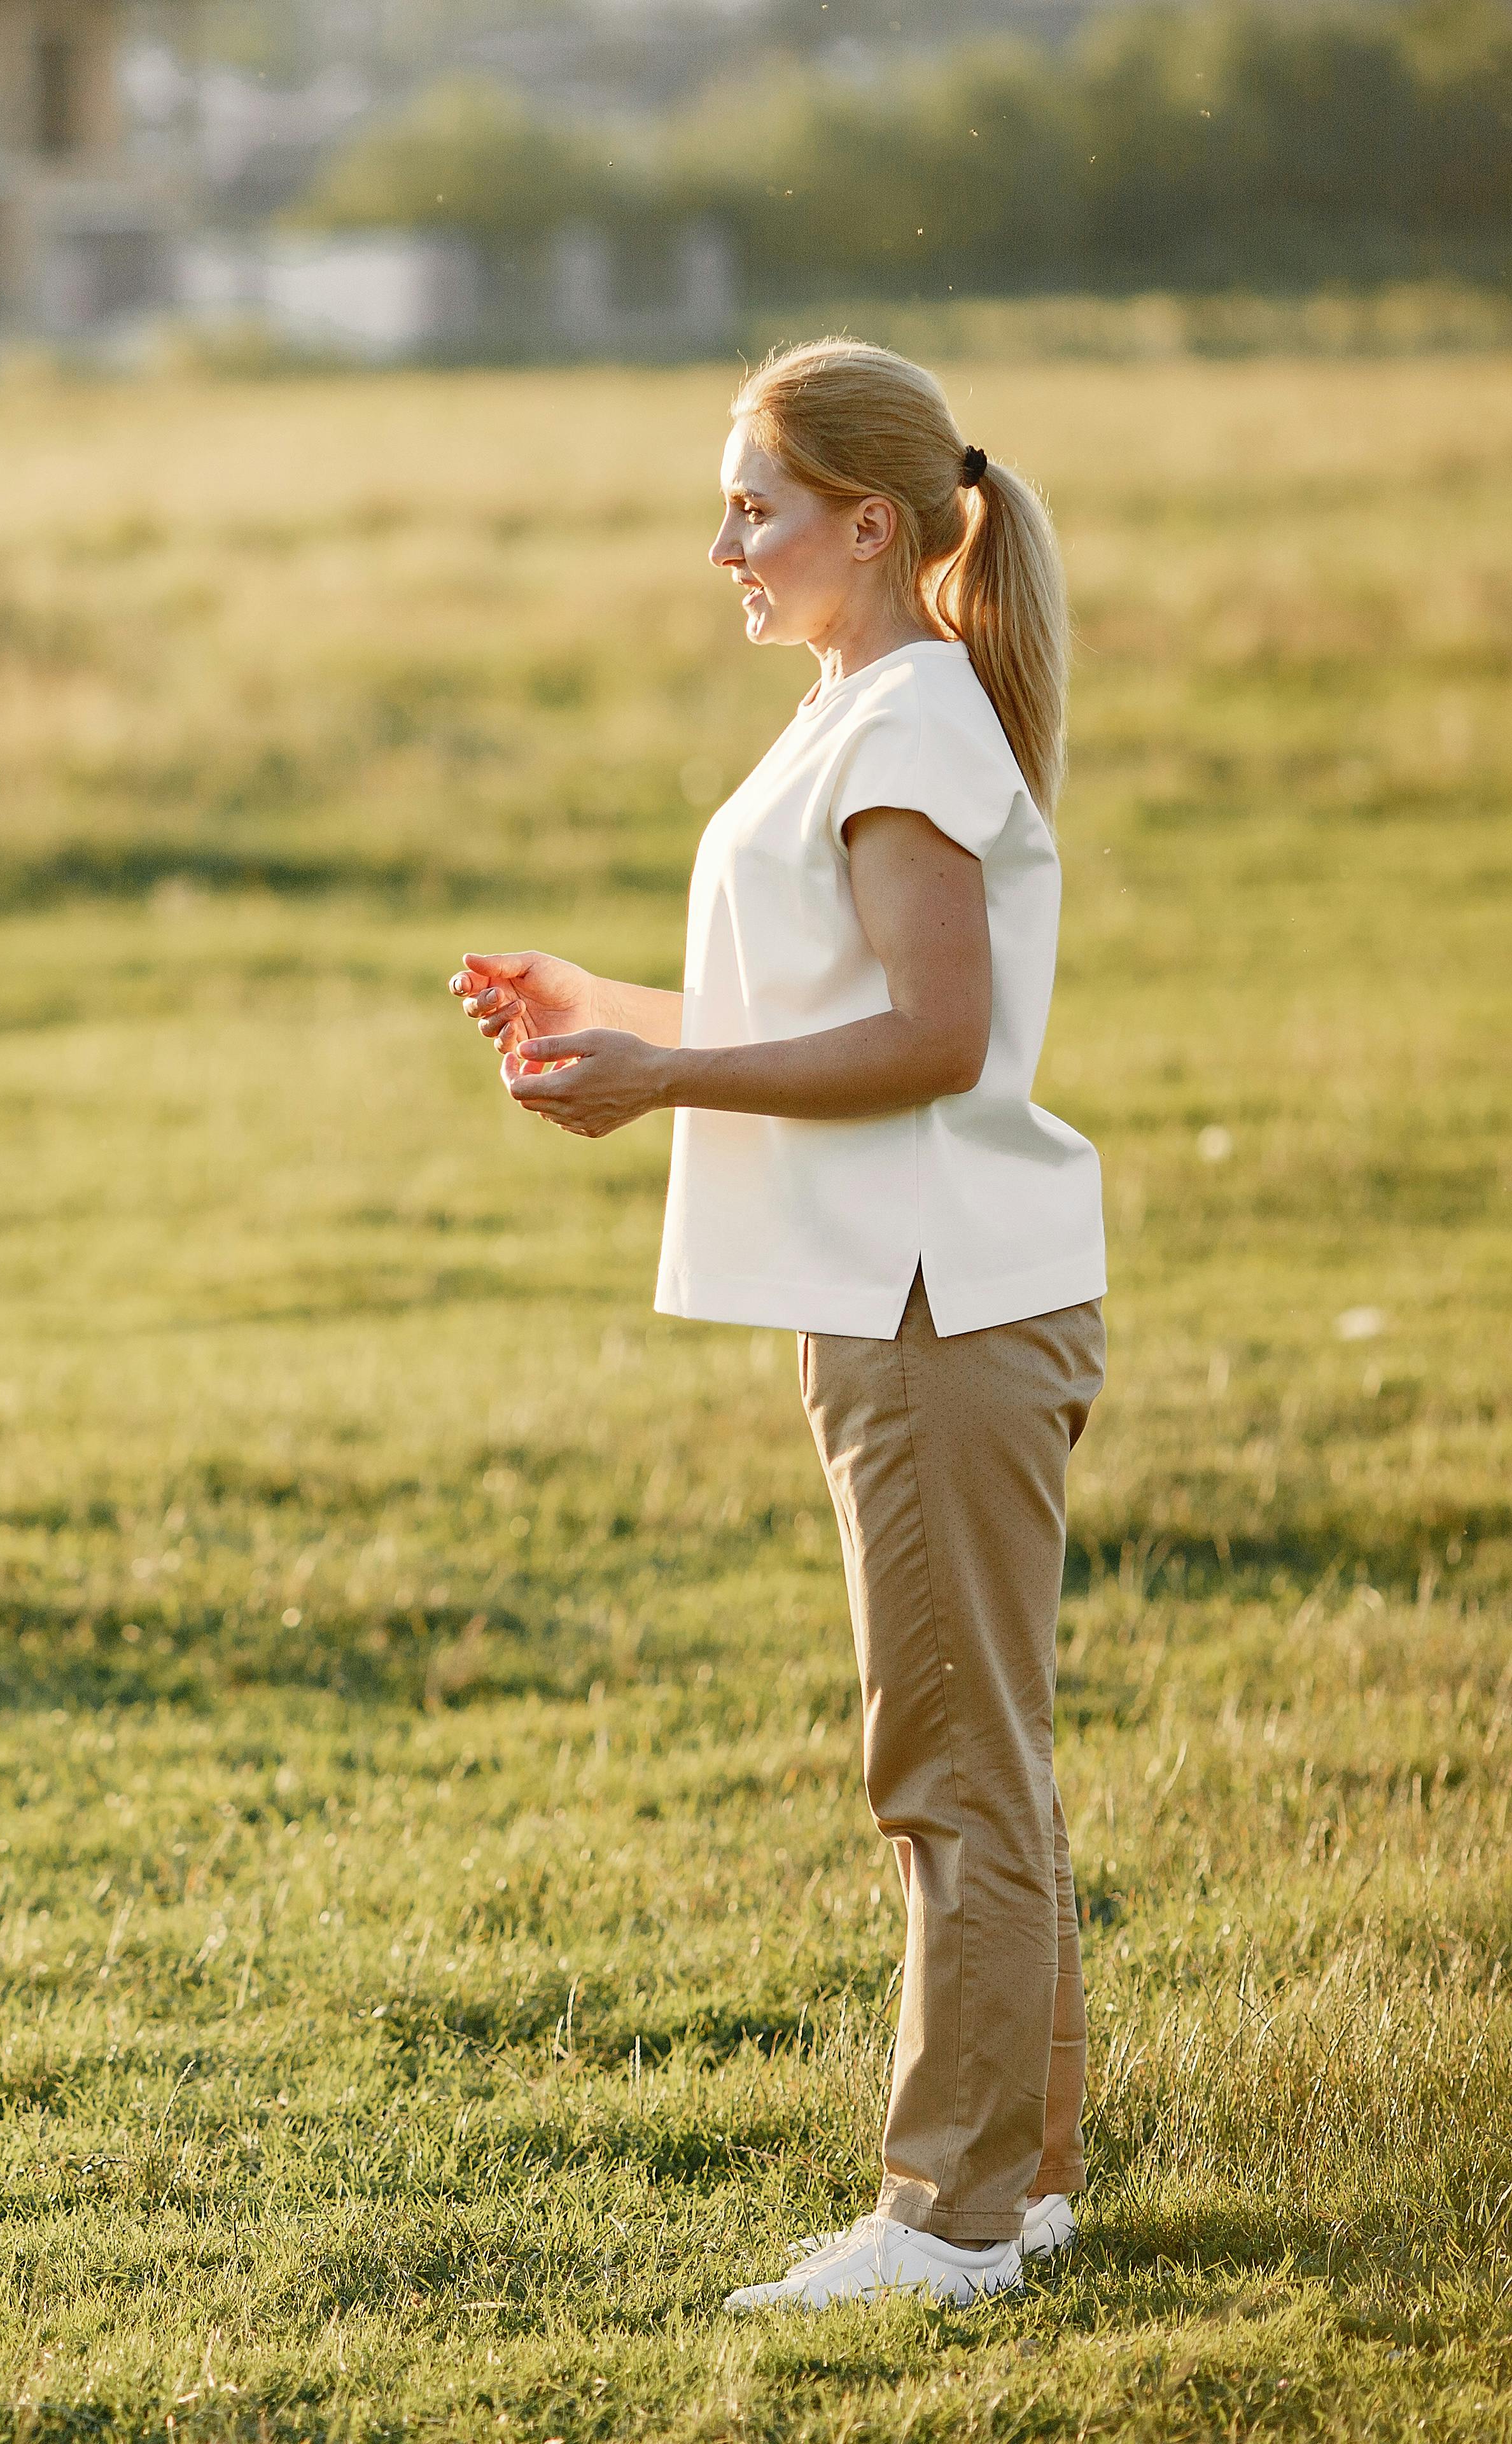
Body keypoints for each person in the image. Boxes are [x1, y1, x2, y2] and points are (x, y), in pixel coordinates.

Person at [447, 339, 1106, 2312]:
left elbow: (932, 1036)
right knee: (986, 1754)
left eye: (755, 505)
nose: (722, 541)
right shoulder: (867, 703)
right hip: (927, 1291)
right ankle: (1029, 2184)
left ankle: (948, 2222)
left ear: (870, 526)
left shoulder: (908, 720)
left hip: (936, 1306)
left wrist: (655, 1080)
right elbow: (837, 993)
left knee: (948, 1772)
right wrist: (624, 1008)